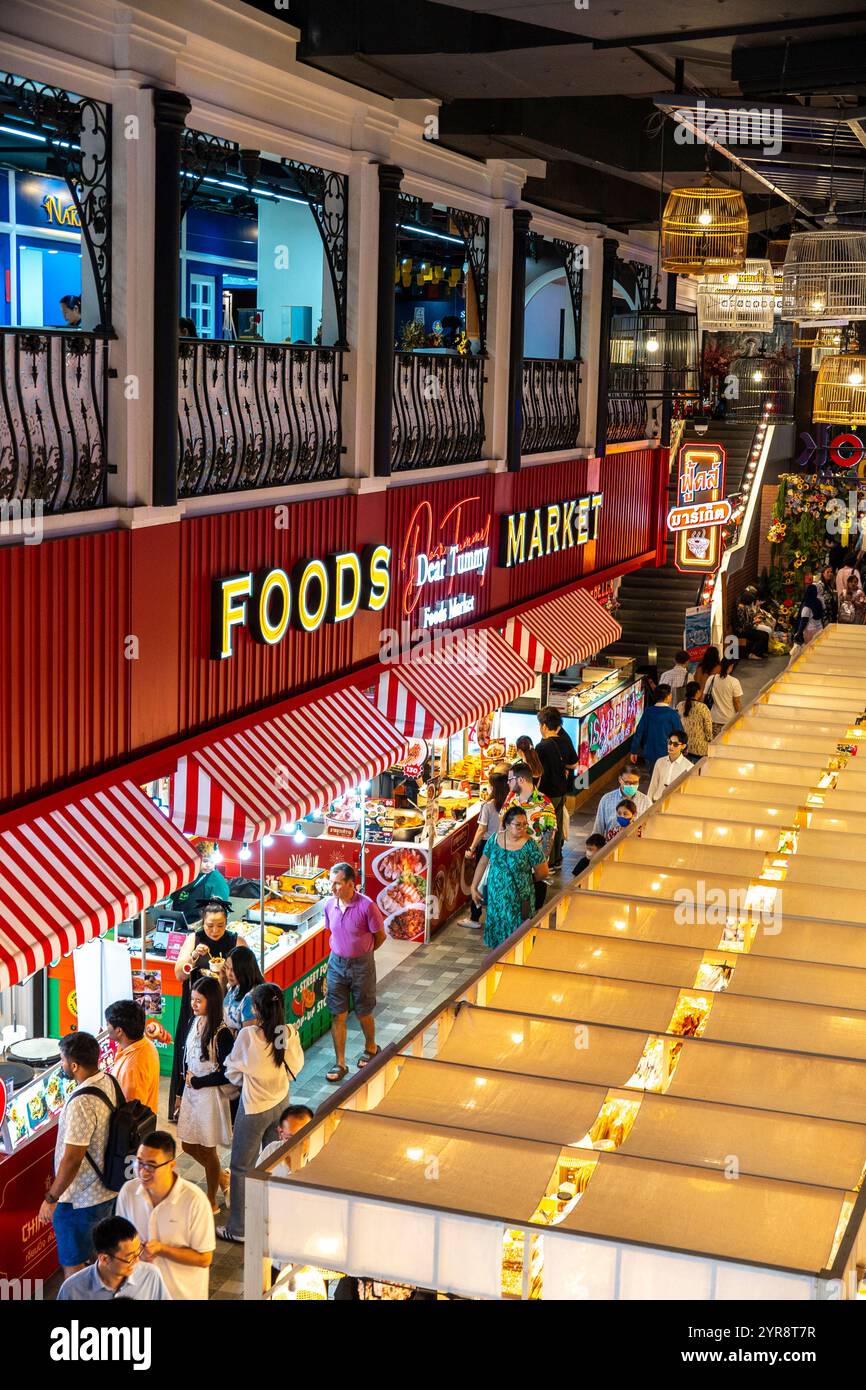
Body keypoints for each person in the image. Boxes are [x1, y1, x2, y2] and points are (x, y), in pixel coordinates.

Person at [37, 1031, 117, 1279]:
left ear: (74, 1065)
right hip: (105, 1189)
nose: (61, 1065)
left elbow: (73, 1158)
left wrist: (51, 1198)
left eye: (62, 1060)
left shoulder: (81, 1102)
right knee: (97, 1259)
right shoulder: (108, 1081)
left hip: (81, 1198)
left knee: (73, 1266)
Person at [218, 982, 291, 1244]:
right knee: (271, 1162)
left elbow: (232, 1071)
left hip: (254, 1108)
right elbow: (296, 1064)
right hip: (281, 1103)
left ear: (257, 1008)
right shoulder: (287, 1032)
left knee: (241, 1167)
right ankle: (269, 1218)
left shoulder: (248, 1036)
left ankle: (238, 1227)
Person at [117, 1130, 215, 1300]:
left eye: (151, 1165)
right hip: (140, 1293)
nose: (143, 1172)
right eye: (139, 1163)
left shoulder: (194, 1201)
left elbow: (204, 1258)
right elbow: (119, 1239)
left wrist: (162, 1249)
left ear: (171, 1165)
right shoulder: (129, 1191)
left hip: (182, 1295)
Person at [170, 899, 244, 1120]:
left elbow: (248, 976)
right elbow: (179, 974)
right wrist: (193, 957)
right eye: (210, 925)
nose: (215, 930)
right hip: (193, 1009)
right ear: (203, 922)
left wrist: (226, 976)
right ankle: (182, 1105)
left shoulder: (235, 941)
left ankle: (226, 1111)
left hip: (225, 1009)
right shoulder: (194, 939)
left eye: (220, 925)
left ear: (227, 923)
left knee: (222, 1056)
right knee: (187, 1051)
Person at [322, 862, 386, 1085]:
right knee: (337, 1013)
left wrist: (363, 953)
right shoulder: (329, 905)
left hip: (362, 965)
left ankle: (371, 1047)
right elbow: (331, 932)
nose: (333, 888)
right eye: (331, 883)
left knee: (363, 1011)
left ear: (351, 884)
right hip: (336, 964)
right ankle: (340, 1062)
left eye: (338, 883)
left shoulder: (367, 907)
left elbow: (380, 936)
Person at [176, 976, 233, 1214]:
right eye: (192, 1000)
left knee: (209, 1149)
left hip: (209, 1097)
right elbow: (185, 1056)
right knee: (188, 1144)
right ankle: (222, 1176)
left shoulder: (222, 1033)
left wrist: (198, 1081)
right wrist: (181, 1091)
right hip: (191, 1095)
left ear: (212, 1001)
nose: (194, 1005)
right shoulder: (193, 1021)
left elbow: (228, 1073)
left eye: (199, 1001)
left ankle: (211, 1198)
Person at [470, 805, 548, 950]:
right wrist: (473, 887)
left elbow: (542, 872)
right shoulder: (494, 839)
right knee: (497, 937)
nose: (523, 828)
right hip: (496, 901)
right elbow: (482, 862)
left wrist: (526, 880)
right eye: (518, 825)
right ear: (507, 824)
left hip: (519, 901)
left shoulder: (531, 846)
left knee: (518, 937)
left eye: (525, 824)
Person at [57, 1215, 170, 1301]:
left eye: (138, 1252)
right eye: (130, 1257)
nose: (137, 1261)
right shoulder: (72, 1289)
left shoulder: (151, 1275)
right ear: (104, 1259)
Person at [462, 769, 510, 928]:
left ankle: (474, 918)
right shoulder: (510, 804)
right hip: (504, 845)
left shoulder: (488, 806)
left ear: (493, 788)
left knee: (480, 880)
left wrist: (471, 848)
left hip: (487, 846)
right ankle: (498, 916)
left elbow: (481, 830)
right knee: (497, 880)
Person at [536, 706, 579, 871]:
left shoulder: (543, 746)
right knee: (556, 824)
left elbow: (537, 772)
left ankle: (549, 861)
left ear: (545, 726)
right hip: (561, 790)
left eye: (540, 725)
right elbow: (574, 763)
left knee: (547, 826)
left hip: (548, 792)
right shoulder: (564, 739)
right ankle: (557, 858)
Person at [105, 999, 160, 1114]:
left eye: (107, 1024)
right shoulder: (145, 1044)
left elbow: (129, 1112)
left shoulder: (132, 1068)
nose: (106, 1028)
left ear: (119, 1031)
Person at [169, 840, 231, 926]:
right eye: (205, 861)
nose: (209, 865)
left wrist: (199, 925)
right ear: (196, 860)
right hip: (178, 922)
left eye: (212, 862)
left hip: (202, 925)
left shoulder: (217, 881)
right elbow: (172, 897)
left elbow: (219, 910)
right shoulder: (185, 874)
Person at [630, 685, 685, 771]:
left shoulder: (648, 712)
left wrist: (634, 751)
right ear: (668, 696)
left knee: (653, 779)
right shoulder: (672, 714)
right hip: (668, 753)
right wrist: (685, 747)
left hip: (649, 753)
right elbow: (680, 733)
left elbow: (639, 732)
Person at [259, 1104, 316, 1178]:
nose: (299, 1144)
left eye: (305, 1137)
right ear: (280, 1133)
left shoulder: (319, 1155)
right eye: (290, 1138)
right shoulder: (270, 1152)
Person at [592, 766, 651, 838]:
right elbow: (598, 829)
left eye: (635, 783)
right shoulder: (606, 799)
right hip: (611, 845)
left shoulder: (646, 801)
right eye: (627, 782)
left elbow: (651, 828)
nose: (631, 786)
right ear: (620, 779)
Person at [223, 944, 265, 1033]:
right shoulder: (236, 985)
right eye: (227, 968)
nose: (229, 974)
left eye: (234, 970)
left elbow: (248, 1038)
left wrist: (228, 1031)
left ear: (245, 970)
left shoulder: (250, 999)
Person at [648, 731, 692, 802]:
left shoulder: (689, 767)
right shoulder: (660, 762)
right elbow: (653, 785)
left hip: (675, 804)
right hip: (657, 801)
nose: (671, 746)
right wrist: (648, 803)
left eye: (675, 744)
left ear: (683, 746)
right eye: (670, 742)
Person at [677, 680, 714, 763]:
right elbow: (708, 728)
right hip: (700, 748)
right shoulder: (703, 707)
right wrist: (710, 740)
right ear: (697, 692)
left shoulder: (680, 705)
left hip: (684, 746)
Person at [706, 657, 743, 735]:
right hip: (729, 719)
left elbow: (704, 697)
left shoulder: (711, 679)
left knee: (716, 743)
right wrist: (740, 716)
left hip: (714, 718)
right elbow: (737, 702)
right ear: (731, 666)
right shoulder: (734, 682)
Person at [734, 588, 771, 660]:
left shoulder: (744, 607)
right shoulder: (740, 609)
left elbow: (748, 619)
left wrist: (755, 618)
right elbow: (744, 624)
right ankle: (754, 654)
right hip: (742, 630)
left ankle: (761, 652)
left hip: (747, 628)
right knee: (762, 636)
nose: (751, 603)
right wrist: (754, 622)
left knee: (765, 634)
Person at [791, 585, 824, 657]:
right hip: (819, 630)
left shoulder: (807, 606)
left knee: (805, 654)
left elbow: (804, 621)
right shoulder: (819, 602)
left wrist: (799, 633)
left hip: (809, 632)